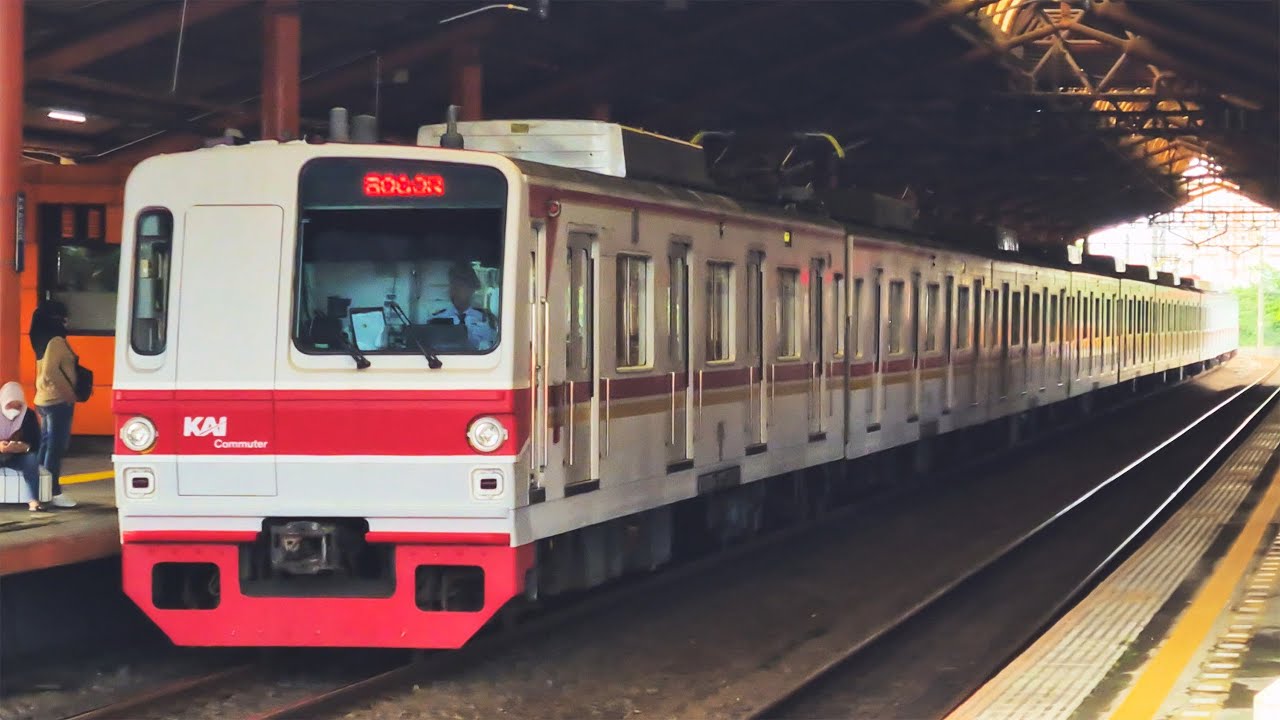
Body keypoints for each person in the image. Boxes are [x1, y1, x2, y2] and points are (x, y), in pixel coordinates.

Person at [30, 300, 77, 508]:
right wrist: (69, 395)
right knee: (55, 448)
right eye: (63, 317)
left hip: (43, 399)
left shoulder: (42, 339)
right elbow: (51, 372)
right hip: (56, 400)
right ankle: (52, 492)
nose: (66, 321)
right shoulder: (56, 341)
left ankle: (38, 488)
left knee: (46, 446)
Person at [430, 263, 498, 351]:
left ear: (472, 289)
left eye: (461, 285)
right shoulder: (437, 319)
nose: (455, 290)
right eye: (452, 284)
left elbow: (491, 347)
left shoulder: (486, 319)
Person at [0, 382, 44, 512]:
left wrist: (24, 447)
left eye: (17, 405)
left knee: (31, 460)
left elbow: (36, 442)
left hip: (17, 456)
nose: (14, 409)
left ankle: (33, 500)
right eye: (9, 405)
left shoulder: (28, 415)